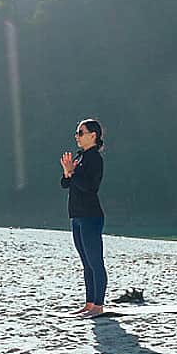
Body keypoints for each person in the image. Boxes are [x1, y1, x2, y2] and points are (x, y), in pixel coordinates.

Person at [60, 119, 106, 317]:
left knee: (95, 262)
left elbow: (90, 186)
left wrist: (72, 173)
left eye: (81, 132)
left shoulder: (94, 158)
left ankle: (98, 305)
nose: (77, 136)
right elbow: (65, 184)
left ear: (92, 135)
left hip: (90, 216)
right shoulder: (80, 158)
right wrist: (67, 172)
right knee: (86, 263)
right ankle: (89, 304)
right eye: (77, 133)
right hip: (76, 215)